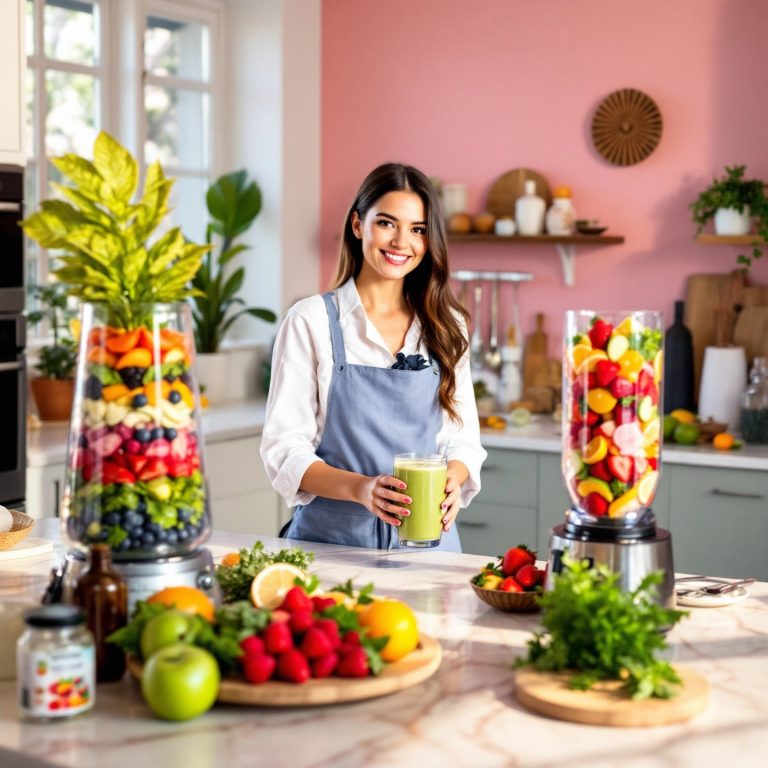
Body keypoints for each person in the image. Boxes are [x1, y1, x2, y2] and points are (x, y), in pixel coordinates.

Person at [260, 162, 486, 551]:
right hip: (333, 545)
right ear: (357, 225)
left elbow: (462, 439)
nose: (402, 242)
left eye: (417, 229)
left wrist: (454, 475)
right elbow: (284, 450)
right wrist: (362, 489)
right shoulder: (311, 321)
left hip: (429, 544)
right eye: (387, 223)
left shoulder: (448, 326)